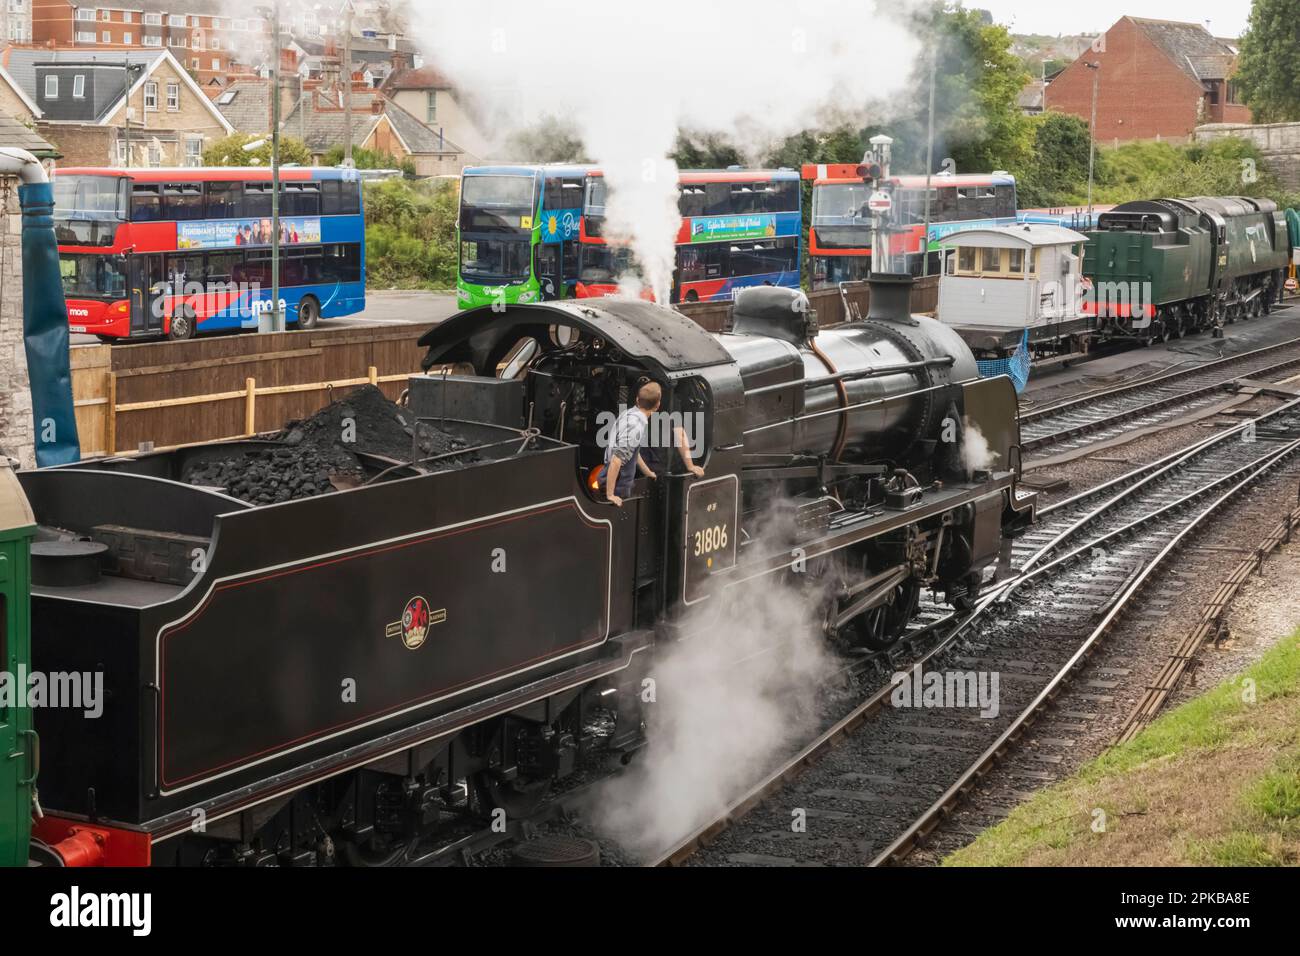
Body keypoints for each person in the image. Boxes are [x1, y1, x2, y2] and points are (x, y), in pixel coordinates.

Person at [600, 382, 705, 507]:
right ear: (657, 406)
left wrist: (647, 472)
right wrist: (610, 494)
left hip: (614, 476)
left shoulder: (627, 414)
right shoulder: (636, 427)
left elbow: (633, 451)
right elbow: (617, 460)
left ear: (637, 400)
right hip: (618, 482)